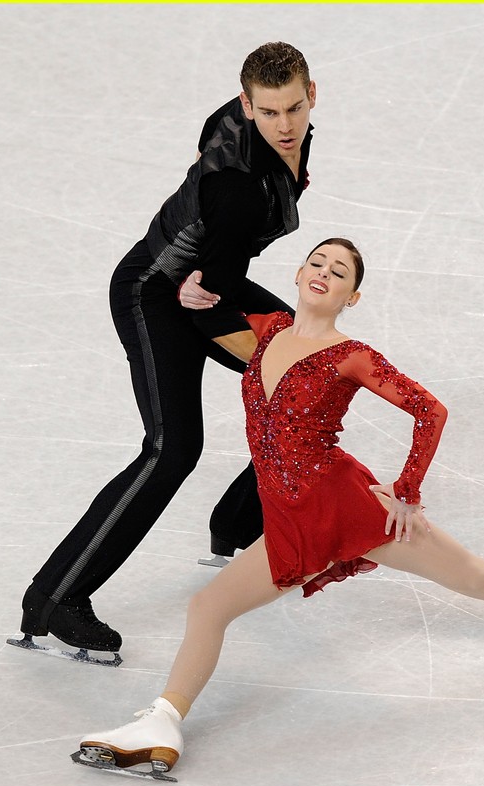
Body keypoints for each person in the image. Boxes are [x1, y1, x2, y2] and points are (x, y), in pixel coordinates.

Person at [75, 238, 484, 779]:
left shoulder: (351, 355)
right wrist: (190, 293)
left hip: (344, 507)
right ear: (298, 274)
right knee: (208, 608)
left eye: (338, 272)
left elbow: (430, 411)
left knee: (478, 578)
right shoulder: (267, 329)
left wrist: (407, 491)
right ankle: (163, 723)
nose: (323, 273)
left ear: (352, 297)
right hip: (287, 519)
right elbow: (198, 313)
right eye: (316, 263)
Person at [17, 43, 318, 657]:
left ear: (312, 95)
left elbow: (214, 143)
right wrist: (217, 301)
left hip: (203, 282)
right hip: (155, 294)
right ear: (247, 106)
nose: (284, 125)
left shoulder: (266, 131)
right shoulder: (238, 191)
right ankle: (54, 598)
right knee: (173, 448)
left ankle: (239, 524)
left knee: (310, 369)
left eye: (293, 108)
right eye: (268, 112)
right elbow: (208, 293)